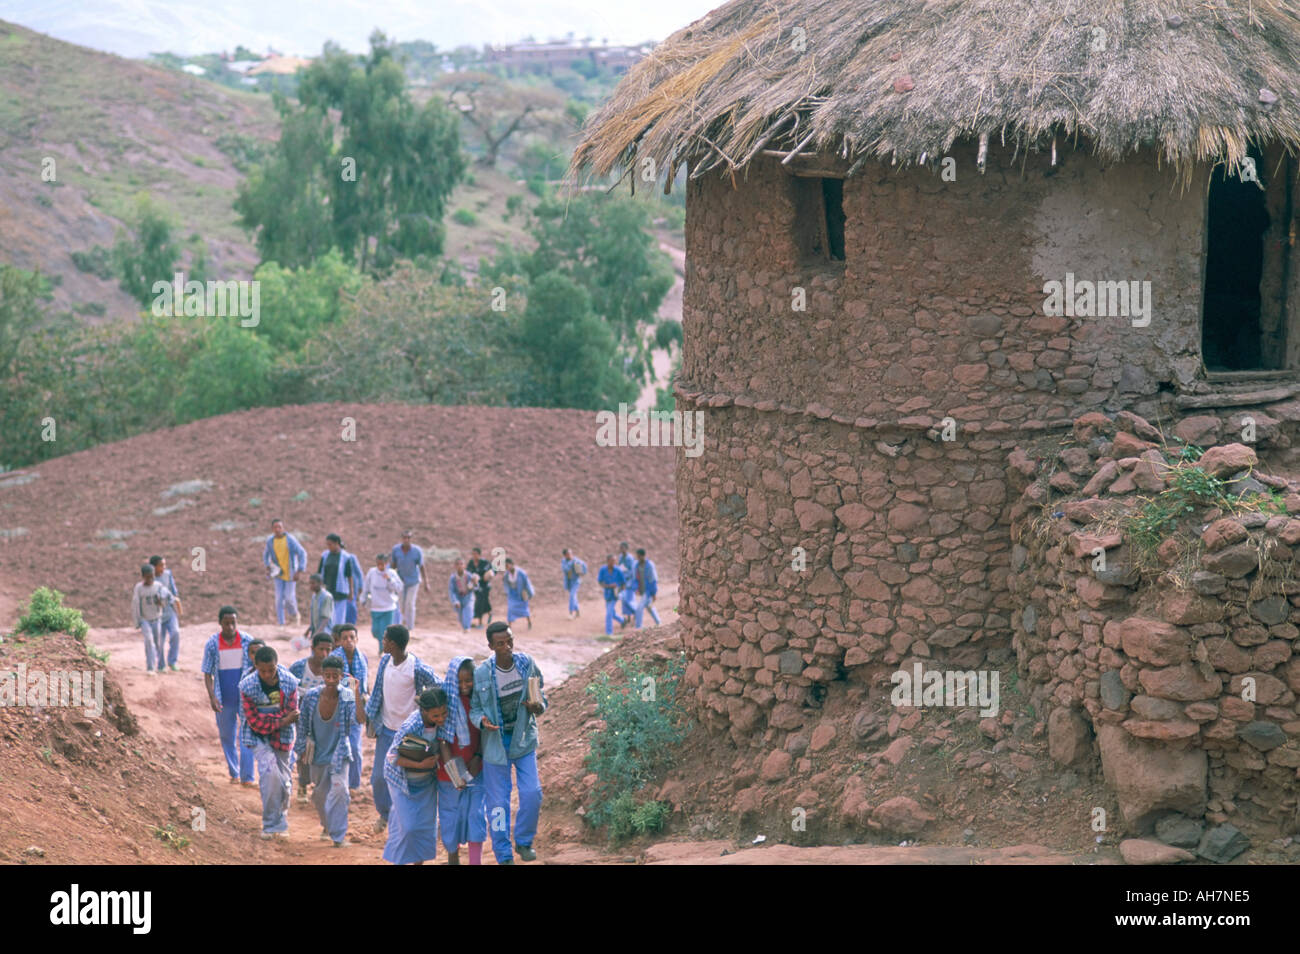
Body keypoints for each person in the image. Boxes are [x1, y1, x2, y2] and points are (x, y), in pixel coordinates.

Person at [469, 622, 546, 865]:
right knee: (498, 804)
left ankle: (524, 841)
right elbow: (475, 708)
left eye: (510, 641)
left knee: (532, 793)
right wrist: (481, 721)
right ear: (491, 646)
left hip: (523, 739)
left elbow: (540, 694)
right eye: (500, 643)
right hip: (495, 744)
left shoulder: (526, 664)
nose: (507, 647)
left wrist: (537, 706)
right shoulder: (481, 673)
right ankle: (503, 853)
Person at [364, 624, 439, 834]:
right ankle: (385, 815)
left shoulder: (417, 668)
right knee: (379, 778)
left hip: (409, 736)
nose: (383, 642)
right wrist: (369, 717)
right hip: (386, 731)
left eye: (385, 639)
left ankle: (407, 821)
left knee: (408, 778)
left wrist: (425, 705)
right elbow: (378, 691)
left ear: (394, 644)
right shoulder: (385, 661)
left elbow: (438, 686)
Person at [294, 655, 356, 848]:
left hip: (339, 753)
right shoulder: (312, 696)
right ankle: (327, 826)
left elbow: (358, 720)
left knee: (340, 791)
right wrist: (301, 751)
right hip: (317, 753)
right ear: (322, 674)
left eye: (335, 676)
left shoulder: (346, 695)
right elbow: (303, 724)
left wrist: (357, 692)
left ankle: (338, 836)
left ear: (341, 676)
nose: (330, 680)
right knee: (320, 794)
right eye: (327, 675)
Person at [382, 687, 449, 865]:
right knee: (409, 827)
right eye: (436, 716)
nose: (441, 719)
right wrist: (420, 764)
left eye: (444, 713)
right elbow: (392, 757)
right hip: (402, 782)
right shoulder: (411, 726)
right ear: (424, 712)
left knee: (425, 827)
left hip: (427, 782)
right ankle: (399, 860)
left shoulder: (444, 724)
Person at [240, 645, 300, 840]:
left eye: (271, 670)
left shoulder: (290, 682)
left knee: (284, 781)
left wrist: (276, 720)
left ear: (277, 665)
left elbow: (293, 710)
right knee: (269, 772)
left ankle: (280, 817)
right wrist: (282, 720)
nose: (267, 674)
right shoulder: (247, 686)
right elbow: (254, 721)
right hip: (258, 737)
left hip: (283, 738)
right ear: (255, 666)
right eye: (262, 670)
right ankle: (271, 824)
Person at [437, 656, 486, 865]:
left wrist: (478, 757)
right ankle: (453, 858)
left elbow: (485, 732)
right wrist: (454, 774)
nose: (464, 686)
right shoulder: (444, 704)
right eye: (459, 681)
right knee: (451, 819)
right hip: (448, 773)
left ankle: (475, 861)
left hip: (476, 768)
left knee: (476, 816)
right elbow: (442, 741)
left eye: (469, 681)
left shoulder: (480, 702)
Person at [201, 606, 258, 785]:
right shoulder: (212, 644)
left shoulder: (248, 641)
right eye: (226, 623)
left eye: (233, 623)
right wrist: (212, 697)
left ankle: (247, 777)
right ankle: (234, 772)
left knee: (246, 735)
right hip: (223, 698)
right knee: (227, 736)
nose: (230, 627)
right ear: (220, 623)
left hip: (246, 697)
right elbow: (207, 673)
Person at [290, 633, 335, 804]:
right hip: (302, 717)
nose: (324, 654)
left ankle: (320, 787)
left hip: (325, 718)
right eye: (321, 649)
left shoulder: (333, 670)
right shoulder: (299, 667)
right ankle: (302, 783)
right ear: (313, 649)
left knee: (323, 752)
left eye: (328, 650)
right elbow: (288, 690)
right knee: (304, 751)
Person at [329, 622, 369, 790]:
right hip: (338, 708)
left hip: (357, 707)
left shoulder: (363, 657)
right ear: (339, 640)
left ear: (357, 639)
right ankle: (334, 783)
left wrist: (366, 695)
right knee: (334, 747)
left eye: (352, 637)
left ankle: (353, 785)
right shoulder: (334, 658)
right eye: (344, 638)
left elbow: (366, 682)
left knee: (355, 748)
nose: (348, 641)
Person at [131, 562, 178, 674]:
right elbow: (135, 605)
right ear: (143, 577)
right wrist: (137, 621)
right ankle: (150, 667)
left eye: (152, 576)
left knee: (158, 644)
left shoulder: (158, 587)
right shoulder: (139, 588)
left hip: (156, 619)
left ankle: (161, 666)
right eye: (148, 577)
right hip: (145, 619)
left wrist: (161, 601)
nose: (150, 579)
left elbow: (168, 599)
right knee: (149, 641)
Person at [262, 518, 307, 627]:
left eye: (280, 527)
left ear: (283, 528)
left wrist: (300, 570)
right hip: (278, 573)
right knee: (278, 599)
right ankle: (281, 623)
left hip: (291, 573)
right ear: (272, 529)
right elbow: (265, 555)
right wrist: (268, 566)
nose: (278, 529)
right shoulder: (270, 541)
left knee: (289, 598)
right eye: (275, 527)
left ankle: (294, 615)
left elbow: (302, 553)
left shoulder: (290, 539)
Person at [361, 553, 405, 651]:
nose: (380, 566)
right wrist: (363, 598)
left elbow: (399, 588)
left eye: (382, 564)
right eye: (378, 564)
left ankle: (383, 649)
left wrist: (389, 579)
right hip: (375, 607)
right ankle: (381, 642)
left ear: (386, 563)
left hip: (388, 607)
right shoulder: (372, 572)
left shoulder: (392, 573)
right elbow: (366, 586)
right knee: (375, 631)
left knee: (385, 631)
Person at [148, 555, 183, 671]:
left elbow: (173, 591)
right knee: (159, 642)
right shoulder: (150, 579)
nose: (163, 567)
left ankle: (172, 661)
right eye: (161, 565)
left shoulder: (168, 575)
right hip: (157, 615)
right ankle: (161, 665)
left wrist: (176, 602)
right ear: (154, 567)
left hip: (170, 611)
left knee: (175, 633)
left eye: (164, 565)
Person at [317, 534, 359, 627]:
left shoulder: (346, 557)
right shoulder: (325, 555)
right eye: (327, 545)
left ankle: (338, 638)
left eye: (330, 544)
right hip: (327, 589)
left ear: (337, 544)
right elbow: (320, 572)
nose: (328, 547)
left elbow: (349, 575)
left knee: (339, 618)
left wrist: (351, 591)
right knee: (327, 616)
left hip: (341, 591)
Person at [391, 531, 429, 628]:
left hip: (413, 581)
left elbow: (421, 566)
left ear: (411, 539)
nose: (406, 540)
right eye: (404, 538)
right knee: (400, 604)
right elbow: (393, 565)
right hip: (400, 580)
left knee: (410, 603)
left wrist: (426, 582)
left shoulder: (416, 551)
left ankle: (410, 626)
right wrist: (391, 579)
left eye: (408, 538)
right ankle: (399, 625)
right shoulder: (396, 550)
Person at [296, 573, 334, 653]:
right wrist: (309, 630)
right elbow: (314, 617)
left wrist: (317, 633)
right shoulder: (314, 596)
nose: (311, 585)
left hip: (324, 632)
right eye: (310, 583)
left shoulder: (326, 597)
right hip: (316, 631)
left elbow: (326, 618)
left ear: (320, 583)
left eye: (313, 583)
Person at [632, 548, 662, 628]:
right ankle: (658, 622)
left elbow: (653, 580)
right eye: (637, 556)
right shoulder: (636, 565)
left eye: (639, 556)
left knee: (639, 608)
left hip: (648, 590)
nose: (638, 558)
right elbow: (635, 578)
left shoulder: (649, 565)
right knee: (649, 607)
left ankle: (638, 627)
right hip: (641, 589)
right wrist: (636, 589)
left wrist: (654, 593)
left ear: (643, 556)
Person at [501, 557, 534, 630]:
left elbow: (527, 583)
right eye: (505, 566)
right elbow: (506, 585)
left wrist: (530, 593)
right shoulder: (506, 575)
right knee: (510, 609)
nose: (507, 567)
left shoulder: (521, 573)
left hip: (521, 594)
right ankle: (509, 626)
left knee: (524, 609)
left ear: (512, 564)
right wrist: (507, 592)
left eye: (507, 565)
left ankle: (529, 622)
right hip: (512, 594)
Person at [597, 555, 626, 636]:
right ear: (608, 561)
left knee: (609, 614)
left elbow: (623, 583)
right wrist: (608, 586)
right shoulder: (603, 570)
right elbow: (600, 582)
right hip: (607, 594)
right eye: (612, 560)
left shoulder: (618, 570)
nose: (614, 562)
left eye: (615, 561)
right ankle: (622, 620)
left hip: (615, 595)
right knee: (611, 612)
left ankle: (609, 633)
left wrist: (620, 591)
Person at [448, 558, 479, 633]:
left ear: (464, 566)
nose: (459, 566)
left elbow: (475, 587)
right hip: (458, 598)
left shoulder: (469, 576)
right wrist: (455, 601)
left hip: (468, 597)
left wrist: (475, 583)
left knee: (468, 611)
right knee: (461, 617)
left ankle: (467, 628)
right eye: (457, 564)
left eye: (461, 564)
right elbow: (451, 591)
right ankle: (465, 627)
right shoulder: (453, 578)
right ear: (455, 566)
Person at [468, 547, 494, 627]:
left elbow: (492, 570)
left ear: (479, 555)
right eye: (473, 554)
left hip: (485, 586)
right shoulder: (471, 563)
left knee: (480, 602)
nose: (474, 556)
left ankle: (480, 622)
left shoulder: (484, 562)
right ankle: (490, 613)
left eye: (475, 554)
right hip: (476, 586)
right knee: (484, 602)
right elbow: (468, 572)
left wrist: (488, 576)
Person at [561, 549, 587, 619]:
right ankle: (577, 611)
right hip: (568, 581)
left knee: (572, 595)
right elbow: (565, 569)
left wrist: (579, 569)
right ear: (565, 555)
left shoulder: (576, 561)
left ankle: (571, 612)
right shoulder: (564, 561)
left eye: (571, 553)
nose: (570, 555)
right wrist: (572, 564)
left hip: (576, 581)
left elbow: (583, 570)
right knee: (573, 596)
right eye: (568, 554)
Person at [617, 542, 637, 630]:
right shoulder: (621, 557)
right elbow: (619, 567)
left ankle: (636, 615)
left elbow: (632, 571)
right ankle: (628, 618)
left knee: (630, 600)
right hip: (623, 580)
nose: (621, 550)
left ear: (626, 549)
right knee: (624, 601)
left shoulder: (630, 558)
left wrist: (627, 580)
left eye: (622, 548)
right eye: (620, 548)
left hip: (629, 582)